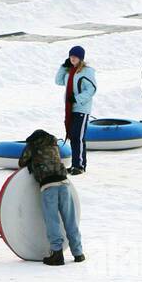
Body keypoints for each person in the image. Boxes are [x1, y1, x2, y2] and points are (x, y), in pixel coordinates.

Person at [18, 128, 84, 265]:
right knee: (70, 219)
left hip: (49, 185)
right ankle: (78, 253)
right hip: (64, 183)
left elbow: (21, 162)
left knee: (52, 220)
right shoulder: (54, 144)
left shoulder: (32, 145)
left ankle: (57, 254)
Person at [54, 45, 96, 175]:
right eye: (71, 56)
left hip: (81, 109)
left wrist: (77, 99)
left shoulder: (87, 71)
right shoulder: (69, 70)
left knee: (78, 137)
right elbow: (58, 81)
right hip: (70, 109)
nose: (72, 58)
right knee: (73, 136)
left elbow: (92, 89)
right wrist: (63, 66)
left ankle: (80, 165)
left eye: (75, 56)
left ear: (80, 58)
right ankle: (75, 165)